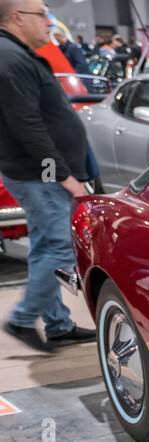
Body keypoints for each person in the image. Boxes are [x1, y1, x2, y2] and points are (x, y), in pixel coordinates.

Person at [0, 0, 96, 352]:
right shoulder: (10, 59)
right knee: (58, 247)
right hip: (37, 176)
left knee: (44, 247)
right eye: (42, 15)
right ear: (17, 17)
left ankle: (57, 324)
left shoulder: (15, 54)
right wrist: (62, 176)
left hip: (37, 174)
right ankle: (23, 319)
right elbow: (28, 129)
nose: (50, 23)